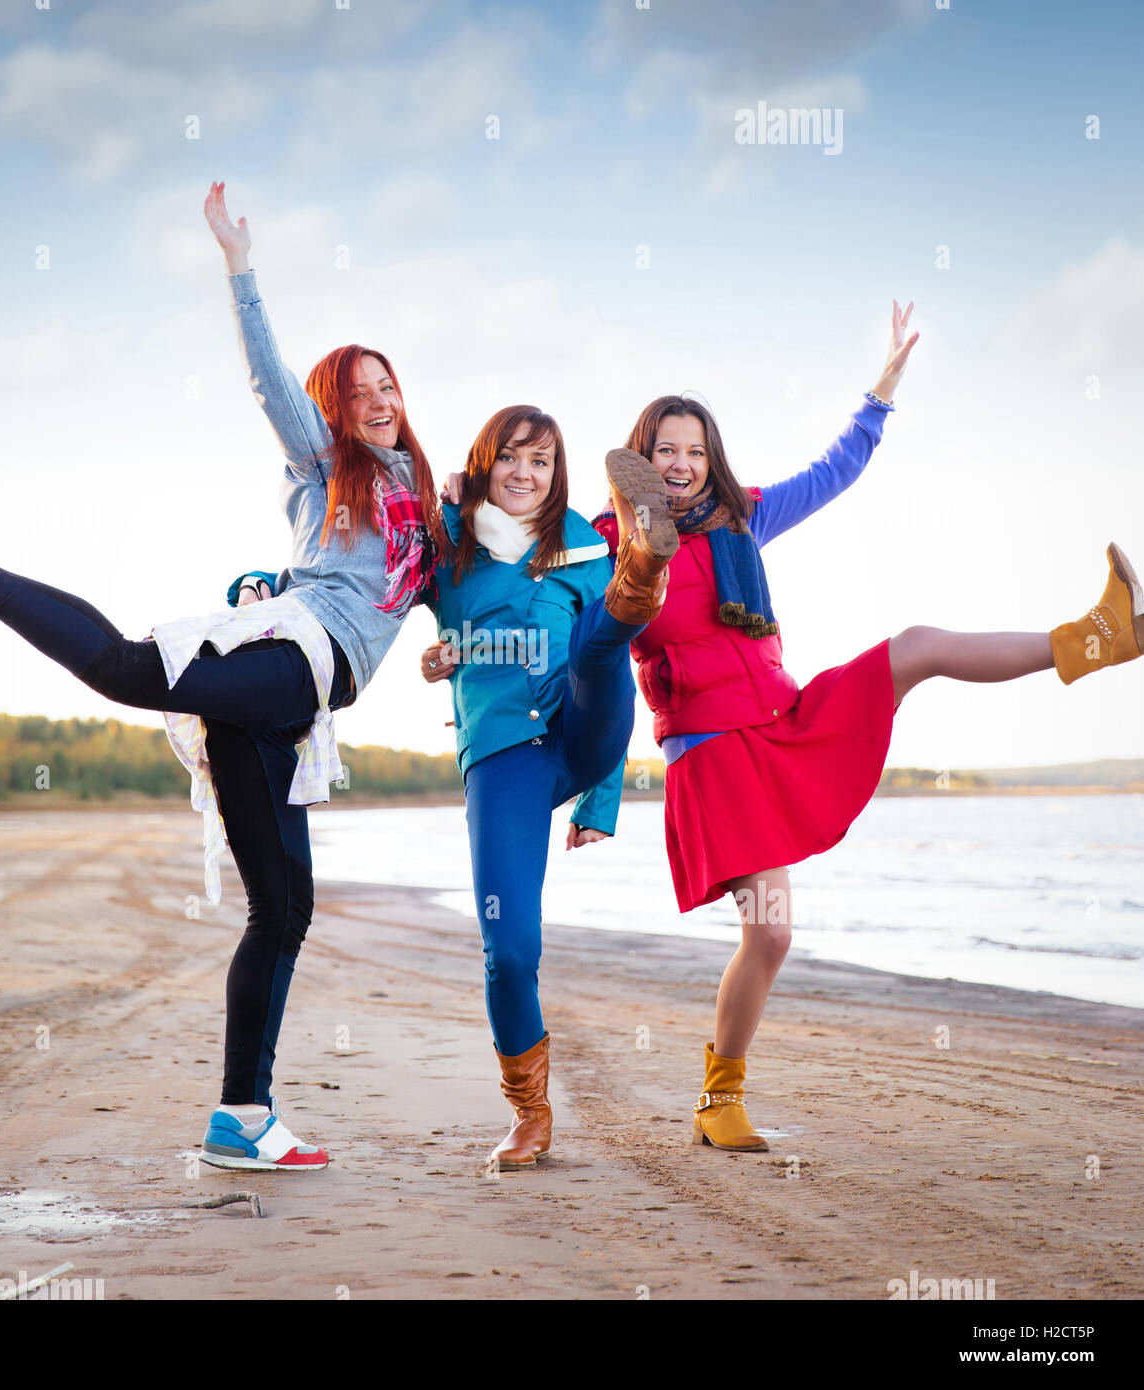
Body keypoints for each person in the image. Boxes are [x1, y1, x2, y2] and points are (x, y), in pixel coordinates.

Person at [0, 181, 448, 1175]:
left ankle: (240, 1119)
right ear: (336, 407)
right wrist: (240, 266)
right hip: (287, 657)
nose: (381, 403)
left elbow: (463, 596)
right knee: (132, 670)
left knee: (284, 910)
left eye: (389, 387)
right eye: (360, 390)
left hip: (296, 712)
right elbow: (268, 384)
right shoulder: (325, 461)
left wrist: (454, 651)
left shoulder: (427, 511)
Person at [591, 302, 1143, 1152]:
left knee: (915, 646)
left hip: (785, 719)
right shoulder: (604, 544)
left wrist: (878, 395)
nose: (683, 462)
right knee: (770, 930)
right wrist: (632, 560)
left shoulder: (743, 519)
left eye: (696, 451)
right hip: (711, 747)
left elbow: (833, 471)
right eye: (665, 449)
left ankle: (1099, 636)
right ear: (640, 457)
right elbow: (585, 635)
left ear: (713, 462)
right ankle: (719, 1098)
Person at [420, 403, 676, 1169]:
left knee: (601, 647)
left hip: (580, 727)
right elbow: (362, 580)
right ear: (484, 465)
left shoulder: (580, 553)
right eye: (510, 459)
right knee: (509, 949)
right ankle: (531, 1114)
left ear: (558, 474)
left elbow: (621, 683)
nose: (525, 474)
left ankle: (645, 566)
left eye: (540, 461)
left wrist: (602, 798)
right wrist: (260, 586)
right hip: (505, 755)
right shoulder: (451, 554)